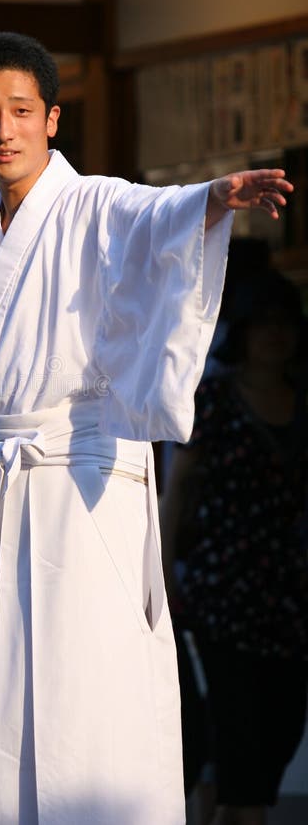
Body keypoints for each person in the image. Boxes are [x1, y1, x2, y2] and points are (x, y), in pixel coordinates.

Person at [0, 31, 293, 825]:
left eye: (21, 111)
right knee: (5, 691)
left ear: (53, 119)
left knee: (85, 681)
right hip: (8, 486)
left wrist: (211, 197)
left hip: (83, 477)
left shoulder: (93, 202)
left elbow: (151, 213)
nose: (4, 130)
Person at [160, 269, 308, 825]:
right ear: (242, 331)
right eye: (263, 322)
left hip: (288, 593)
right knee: (237, 733)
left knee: (285, 723)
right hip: (220, 590)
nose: (275, 334)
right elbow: (178, 489)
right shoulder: (215, 398)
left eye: (285, 323)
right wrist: (165, 574)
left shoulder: (302, 399)